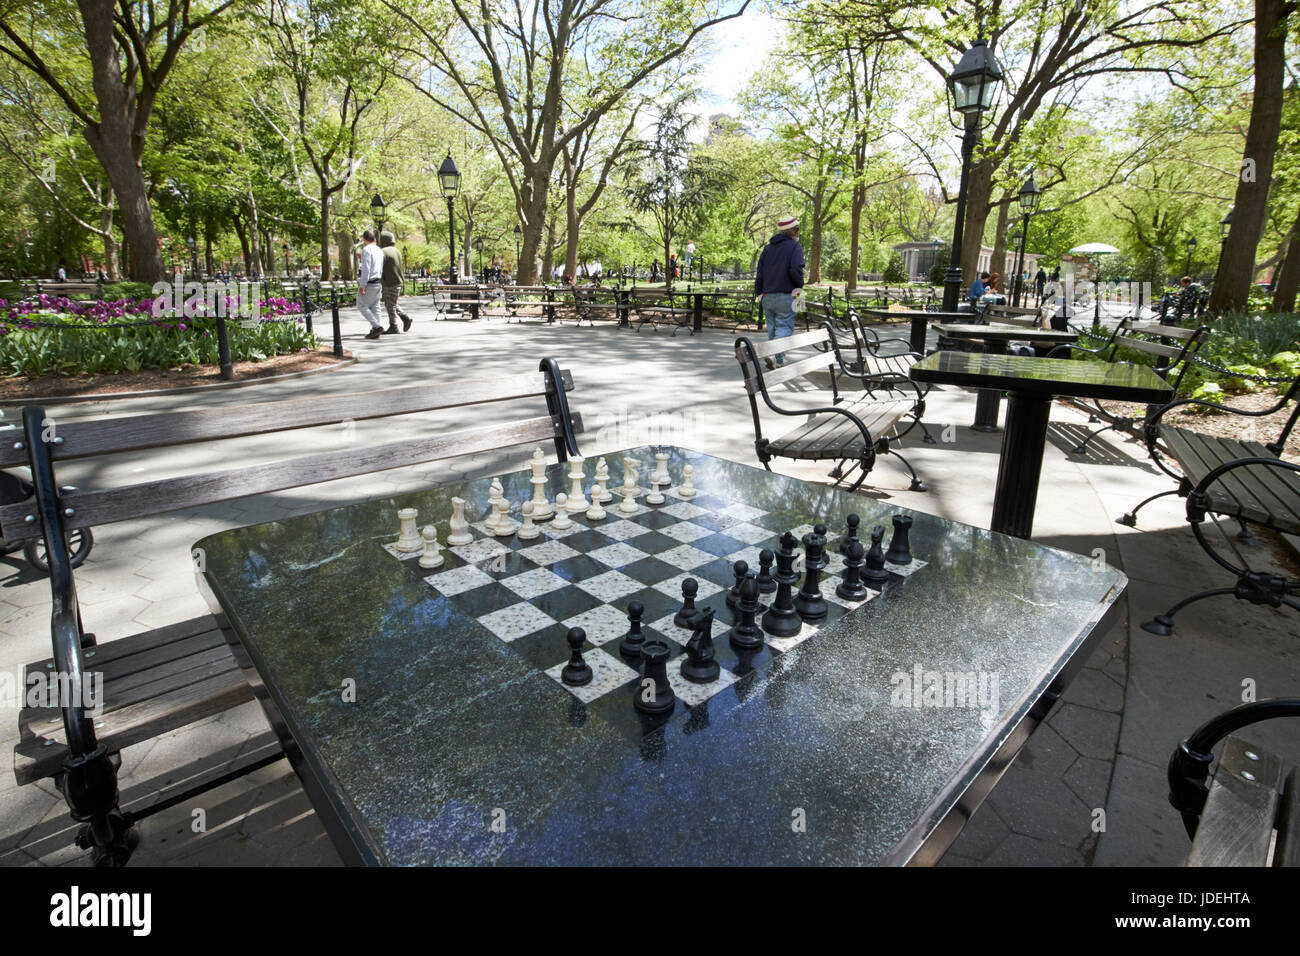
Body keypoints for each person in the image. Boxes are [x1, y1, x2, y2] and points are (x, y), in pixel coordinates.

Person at [753, 215, 805, 368]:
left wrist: (759, 294)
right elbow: (796, 270)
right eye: (796, 229)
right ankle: (773, 355)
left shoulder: (767, 249)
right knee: (784, 327)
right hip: (786, 294)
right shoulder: (795, 247)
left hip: (767, 295)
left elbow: (760, 273)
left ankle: (778, 359)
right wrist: (799, 285)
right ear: (788, 231)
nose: (798, 232)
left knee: (773, 328)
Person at [378, 231, 411, 334]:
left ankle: (394, 325)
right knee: (391, 302)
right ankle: (405, 318)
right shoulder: (397, 251)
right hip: (397, 280)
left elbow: (379, 267)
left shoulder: (383, 251)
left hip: (389, 281)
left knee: (390, 304)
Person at [356, 229, 386, 339]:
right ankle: (375, 331)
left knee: (361, 304)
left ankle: (377, 326)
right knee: (375, 306)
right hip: (378, 281)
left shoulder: (366, 250)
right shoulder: (379, 250)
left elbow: (366, 269)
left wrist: (362, 285)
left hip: (370, 282)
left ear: (364, 239)